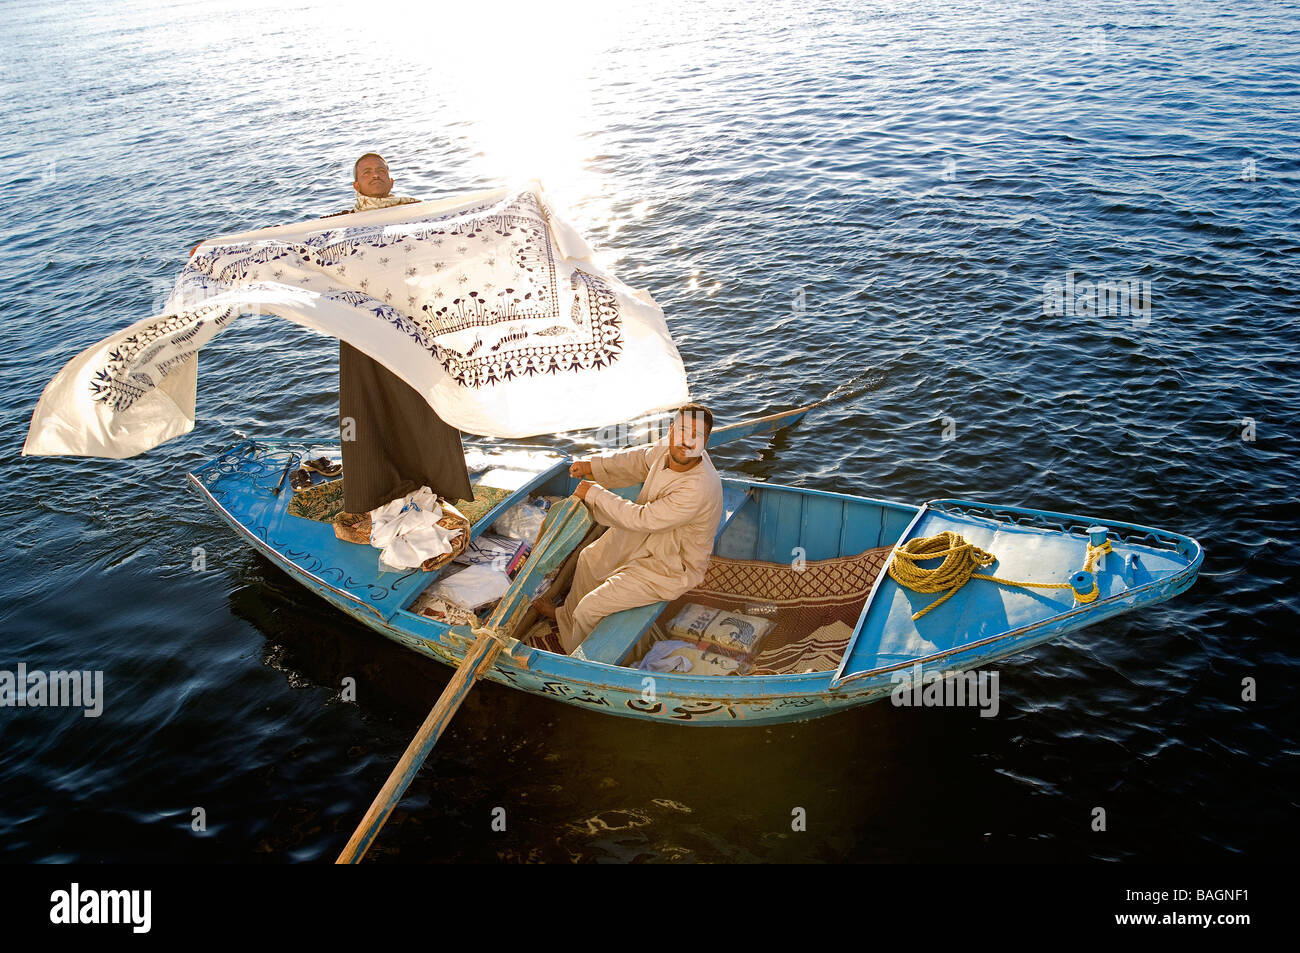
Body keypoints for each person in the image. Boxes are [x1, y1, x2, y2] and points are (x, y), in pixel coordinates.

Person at [327, 152, 474, 546]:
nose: (375, 176)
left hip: (412, 324)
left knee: (424, 402)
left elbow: (464, 229)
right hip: (363, 329)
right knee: (366, 409)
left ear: (391, 180)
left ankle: (435, 483)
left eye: (381, 171)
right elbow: (287, 246)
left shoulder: (417, 214)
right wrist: (222, 250)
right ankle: (372, 490)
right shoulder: (342, 225)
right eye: (366, 172)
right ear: (356, 185)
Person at [534, 404, 724, 654]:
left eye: (696, 436)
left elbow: (642, 518)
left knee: (590, 607)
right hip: (649, 536)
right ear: (671, 430)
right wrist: (592, 466)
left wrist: (594, 493)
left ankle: (578, 657)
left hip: (670, 564)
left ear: (706, 441)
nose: (686, 441)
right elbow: (638, 459)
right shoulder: (666, 449)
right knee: (589, 559)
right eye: (682, 430)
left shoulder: (699, 488)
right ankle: (565, 618)